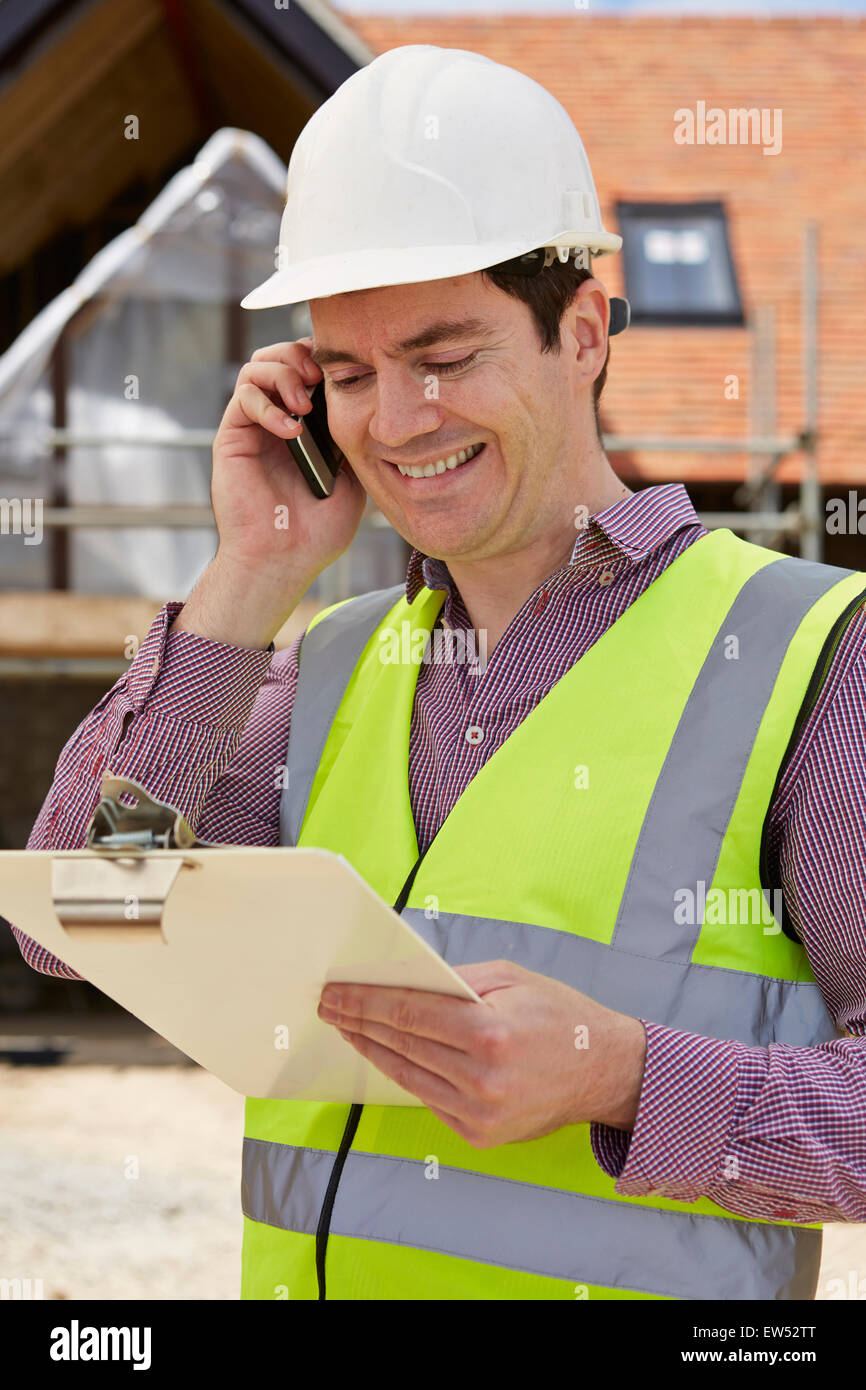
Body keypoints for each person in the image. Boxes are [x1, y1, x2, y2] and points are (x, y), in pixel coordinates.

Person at [13, 45, 866, 1301]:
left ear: (579, 333)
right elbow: (85, 915)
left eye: (445, 355)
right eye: (347, 374)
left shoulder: (802, 657)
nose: (398, 419)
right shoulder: (327, 668)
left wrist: (623, 1074)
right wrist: (248, 575)